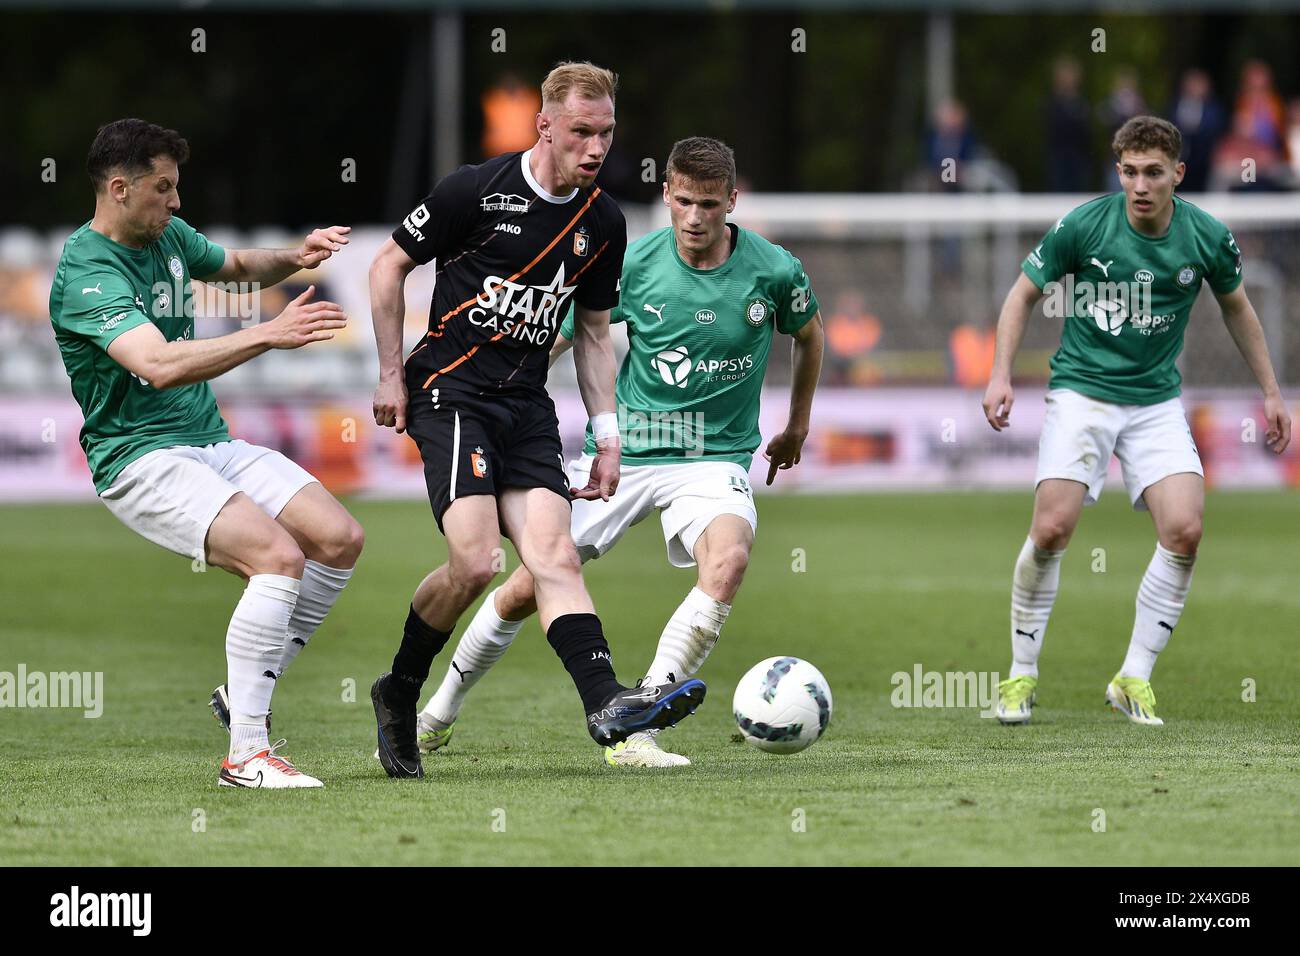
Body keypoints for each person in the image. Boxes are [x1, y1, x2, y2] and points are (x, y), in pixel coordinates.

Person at [411, 136, 825, 768]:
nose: (694, 218)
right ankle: (437, 713)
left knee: (730, 559)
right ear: (667, 195)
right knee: (528, 586)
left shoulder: (774, 269)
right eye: (683, 201)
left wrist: (796, 425)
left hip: (714, 460)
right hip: (625, 453)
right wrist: (494, 389)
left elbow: (809, 334)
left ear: (732, 202)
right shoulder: (635, 261)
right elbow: (580, 334)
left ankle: (638, 724)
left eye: (709, 205)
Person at [367, 62, 705, 779]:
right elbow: (386, 266)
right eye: (581, 131)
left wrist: (607, 438)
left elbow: (590, 335)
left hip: (526, 409)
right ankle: (399, 690)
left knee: (554, 557)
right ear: (544, 125)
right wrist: (392, 370)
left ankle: (607, 702)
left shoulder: (604, 222)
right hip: (452, 393)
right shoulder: (475, 190)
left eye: (606, 133)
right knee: (476, 562)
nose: (595, 147)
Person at [49, 118, 363, 788]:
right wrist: (270, 334)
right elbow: (156, 365)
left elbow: (242, 266)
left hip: (207, 442)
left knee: (338, 538)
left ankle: (244, 690)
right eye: (164, 189)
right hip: (139, 459)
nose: (176, 202)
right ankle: (246, 754)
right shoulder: (86, 271)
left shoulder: (165, 236)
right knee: (277, 557)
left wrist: (297, 256)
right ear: (119, 188)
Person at [982, 115, 1291, 726]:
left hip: (1154, 403)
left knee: (1185, 530)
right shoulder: (1084, 225)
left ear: (1178, 173)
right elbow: (1021, 294)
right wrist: (1000, 373)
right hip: (1082, 394)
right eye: (1130, 172)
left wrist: (1272, 391)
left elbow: (1239, 309)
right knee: (1052, 530)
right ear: (1117, 171)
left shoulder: (1206, 237)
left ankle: (1134, 677)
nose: (1141, 185)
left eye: (1153, 172)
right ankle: (1020, 675)